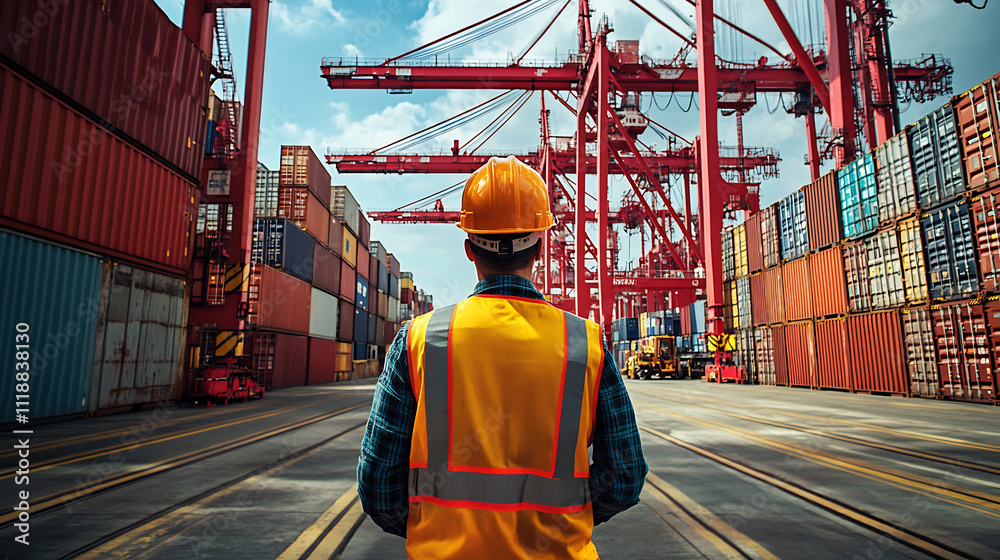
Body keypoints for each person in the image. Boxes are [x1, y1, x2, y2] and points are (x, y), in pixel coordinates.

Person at [357, 156, 647, 559]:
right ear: (542, 246)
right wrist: (563, 519)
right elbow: (624, 479)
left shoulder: (419, 341)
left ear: (468, 248)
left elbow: (379, 487)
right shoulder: (586, 344)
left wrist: (441, 529)